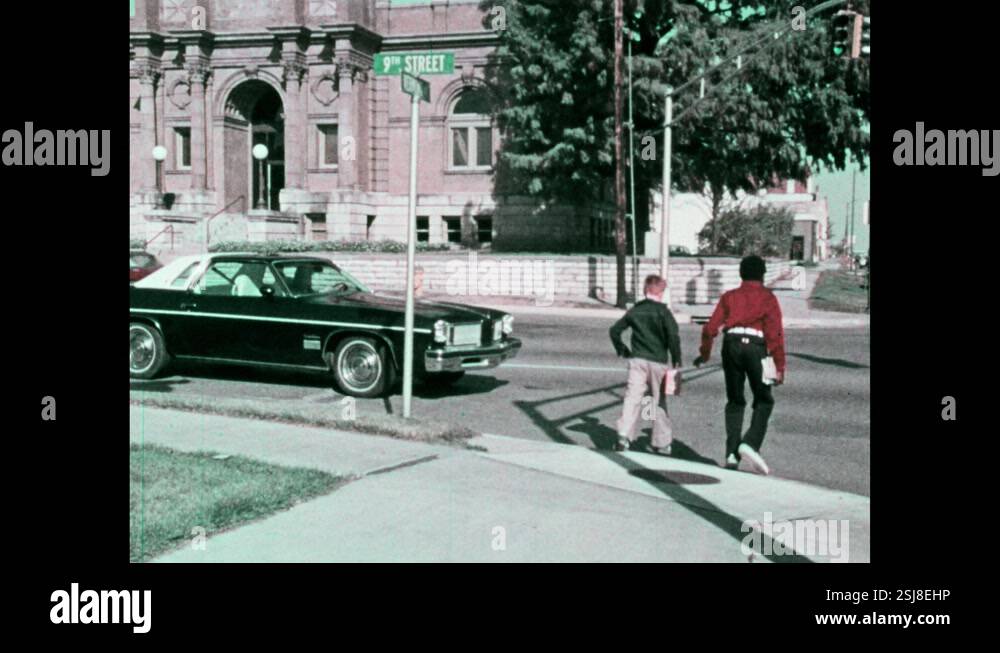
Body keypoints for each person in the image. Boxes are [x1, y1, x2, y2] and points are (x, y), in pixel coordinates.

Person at [693, 255, 785, 475]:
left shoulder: (729, 297)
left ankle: (731, 454)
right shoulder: (768, 298)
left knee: (735, 400)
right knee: (763, 399)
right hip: (757, 348)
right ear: (763, 274)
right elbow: (775, 335)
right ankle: (750, 443)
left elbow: (710, 328)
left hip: (731, 345)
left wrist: (704, 354)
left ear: (740, 274)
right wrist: (779, 367)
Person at [609, 275, 682, 455]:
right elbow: (673, 336)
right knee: (658, 401)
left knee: (632, 398)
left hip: (637, 360)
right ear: (661, 292)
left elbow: (615, 330)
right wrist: (676, 358)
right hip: (658, 361)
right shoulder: (663, 312)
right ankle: (661, 443)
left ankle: (623, 436)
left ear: (645, 290)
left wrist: (622, 349)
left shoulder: (636, 310)